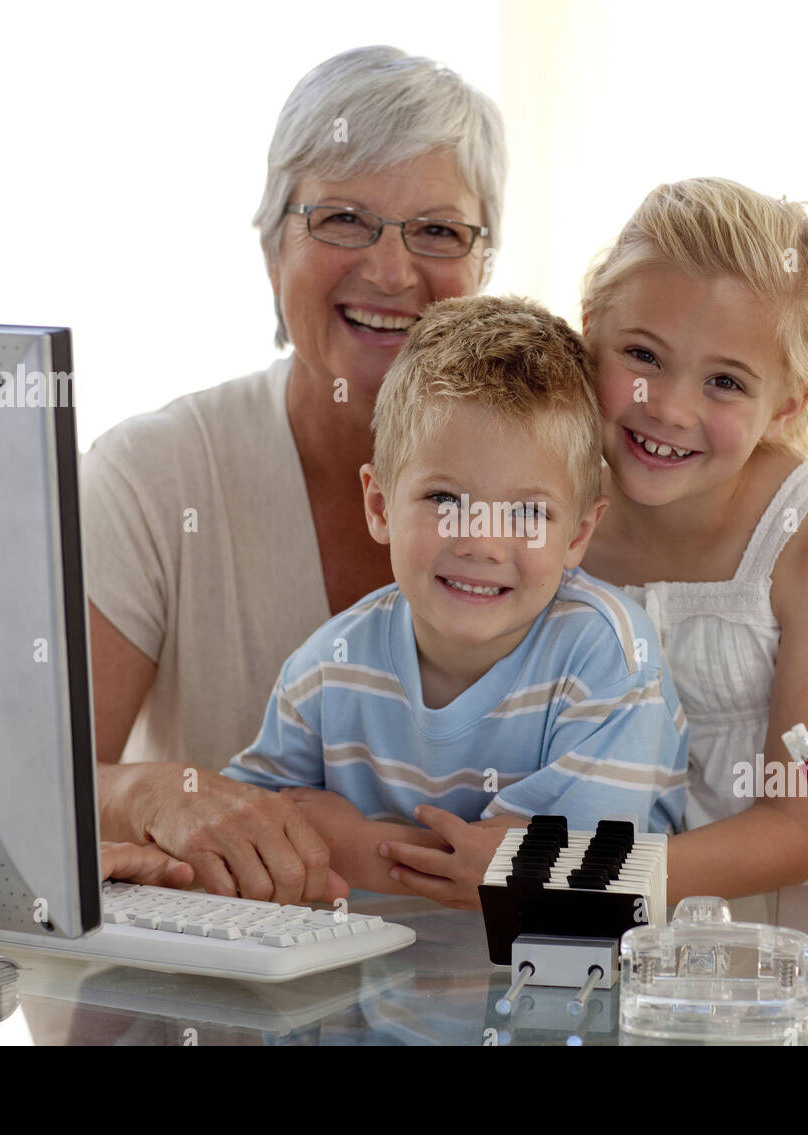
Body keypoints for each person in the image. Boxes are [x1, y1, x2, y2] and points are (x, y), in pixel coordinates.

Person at [384, 178, 808, 905]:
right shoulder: (542, 509)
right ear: (590, 330)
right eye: (643, 355)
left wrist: (559, 871)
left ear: (787, 402)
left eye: (725, 381)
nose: (669, 407)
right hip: (628, 914)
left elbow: (794, 828)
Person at [82, 46, 508, 902]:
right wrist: (152, 790)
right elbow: (28, 785)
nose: (390, 272)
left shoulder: (554, 481)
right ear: (274, 247)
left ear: (483, 267)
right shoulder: (155, 474)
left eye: (436, 230)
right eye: (342, 219)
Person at [217, 294, 687, 901]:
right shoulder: (328, 667)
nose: (482, 544)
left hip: (577, 991)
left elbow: (569, 889)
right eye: (445, 500)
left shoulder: (609, 660)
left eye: (526, 512)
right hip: (372, 990)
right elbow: (243, 833)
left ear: (577, 533)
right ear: (380, 504)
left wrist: (352, 847)